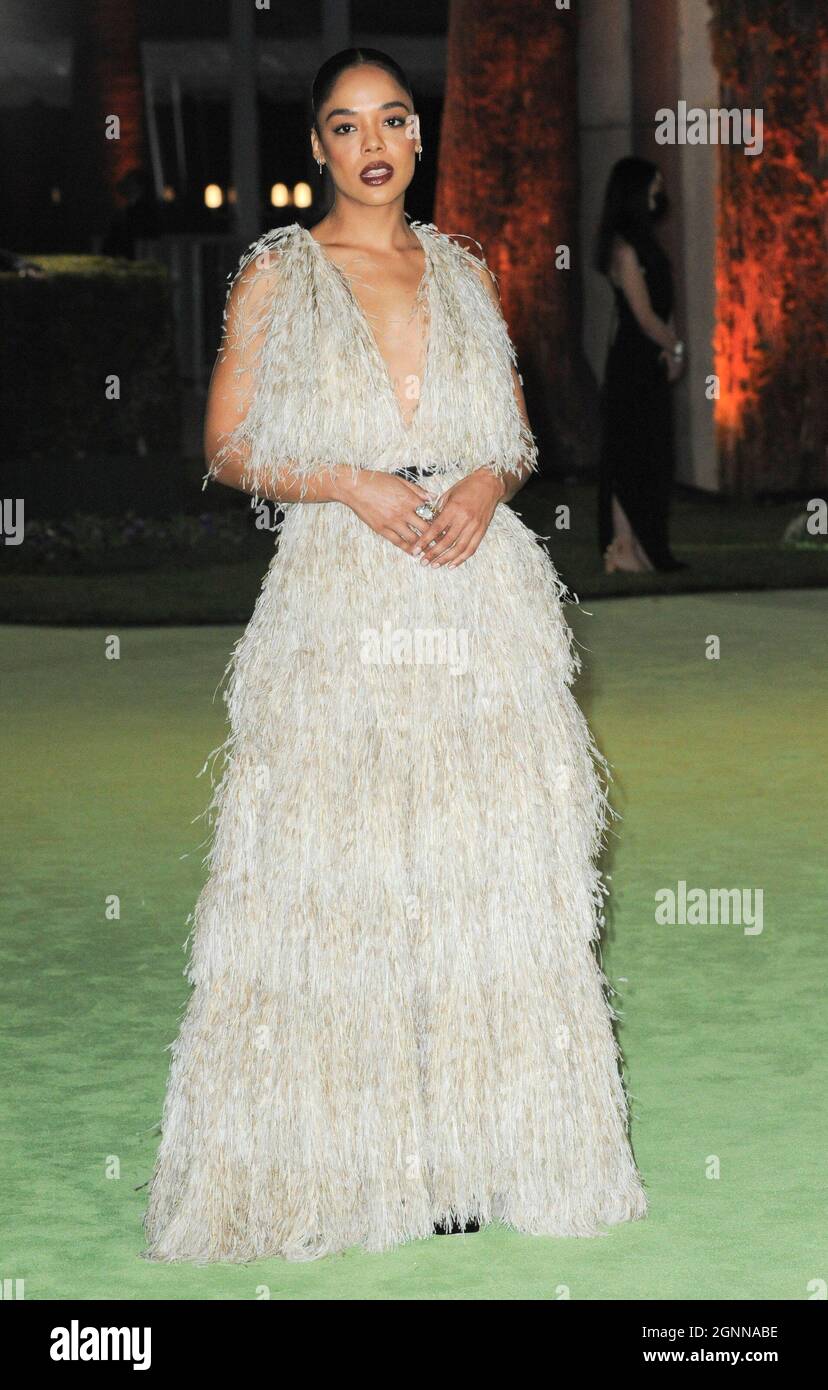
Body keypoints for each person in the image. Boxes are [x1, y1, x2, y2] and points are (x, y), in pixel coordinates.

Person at [141, 48, 648, 1264]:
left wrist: (482, 483)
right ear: (317, 146)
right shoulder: (279, 275)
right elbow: (225, 445)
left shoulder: (467, 272)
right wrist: (350, 484)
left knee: (473, 870)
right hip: (342, 594)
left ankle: (478, 1149)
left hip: (476, 595)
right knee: (346, 880)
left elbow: (515, 433)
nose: (374, 142)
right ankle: (351, 1158)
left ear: (420, 139)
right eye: (345, 123)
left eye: (396, 119)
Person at [594, 157, 688, 573]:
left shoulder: (648, 244)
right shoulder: (624, 249)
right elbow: (643, 315)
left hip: (650, 360)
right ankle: (622, 547)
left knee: (651, 456)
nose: (659, 192)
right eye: (653, 185)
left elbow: (664, 308)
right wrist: (676, 347)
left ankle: (638, 547)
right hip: (631, 363)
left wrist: (671, 350)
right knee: (628, 455)